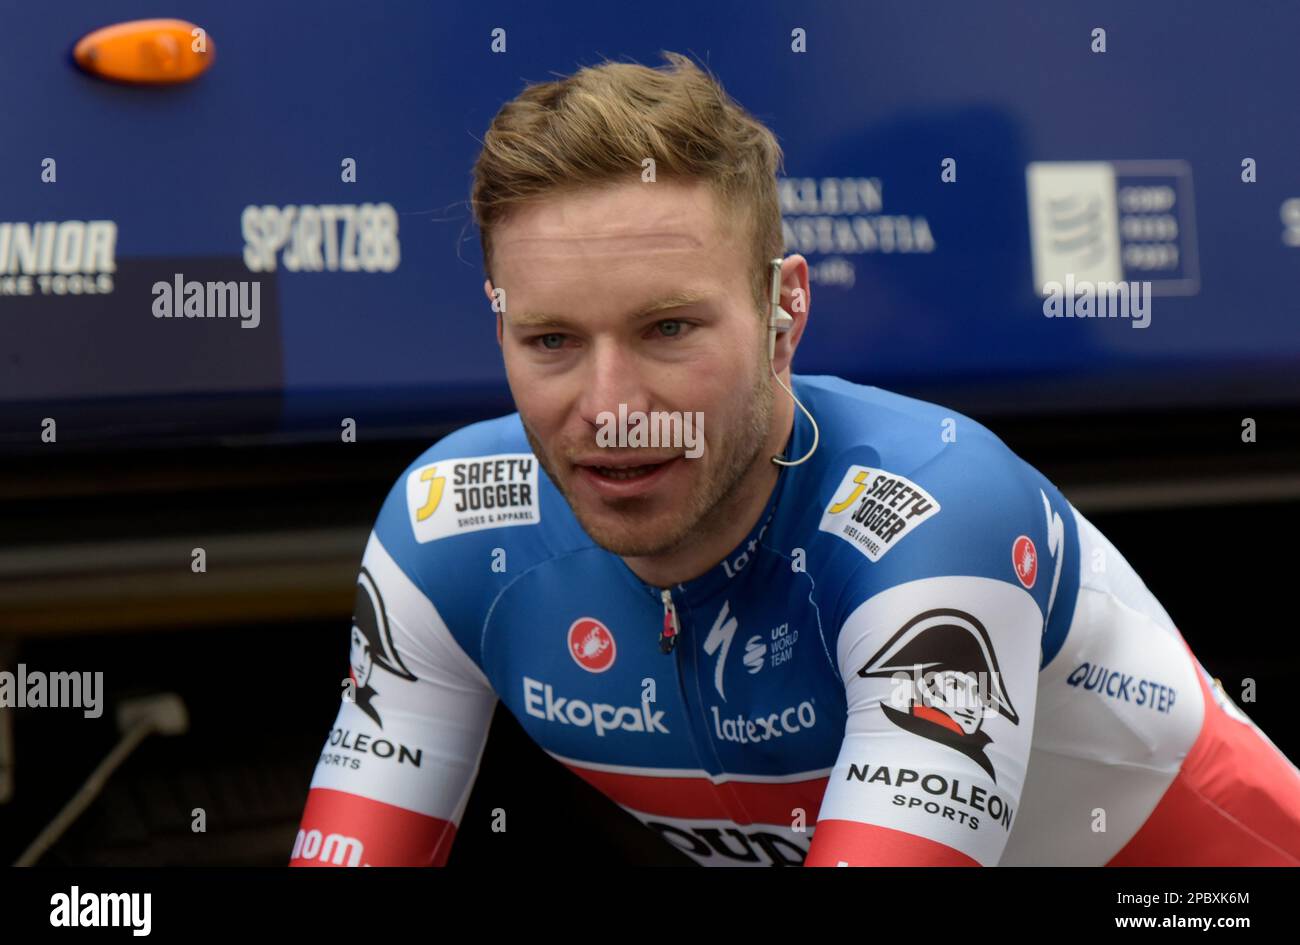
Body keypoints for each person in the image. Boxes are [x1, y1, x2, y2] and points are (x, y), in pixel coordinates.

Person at [290, 52, 1300, 867]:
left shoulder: (935, 516)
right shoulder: (447, 527)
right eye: (551, 340)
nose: (609, 409)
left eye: (669, 328)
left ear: (786, 313)